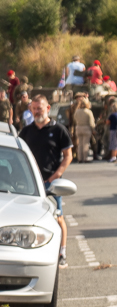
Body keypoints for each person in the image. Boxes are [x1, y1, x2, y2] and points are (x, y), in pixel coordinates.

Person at [19, 95, 72, 267]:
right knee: (28, 219)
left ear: (48, 108)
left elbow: (68, 156)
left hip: (52, 184)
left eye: (39, 108)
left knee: (58, 218)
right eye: (33, 108)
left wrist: (56, 175)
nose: (36, 112)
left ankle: (62, 252)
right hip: (29, 185)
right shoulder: (26, 132)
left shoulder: (59, 130)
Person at [72, 96, 95, 163]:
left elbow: (74, 119)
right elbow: (91, 122)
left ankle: (79, 158)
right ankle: (85, 158)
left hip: (78, 127)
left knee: (80, 144)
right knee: (86, 144)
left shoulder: (77, 111)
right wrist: (93, 129)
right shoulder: (88, 112)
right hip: (86, 128)